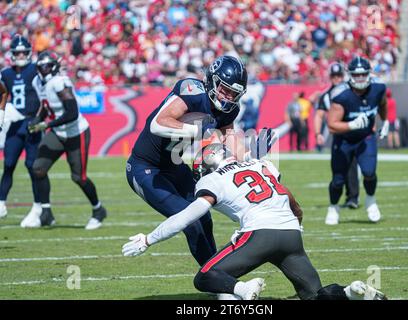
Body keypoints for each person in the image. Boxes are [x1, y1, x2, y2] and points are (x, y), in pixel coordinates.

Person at [122, 143, 387, 301]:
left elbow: (186, 217)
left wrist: (148, 239)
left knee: (204, 277)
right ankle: (351, 292)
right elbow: (291, 199)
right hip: (291, 235)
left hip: (260, 235)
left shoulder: (211, 180)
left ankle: (243, 289)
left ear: (205, 168)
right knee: (313, 295)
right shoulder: (262, 165)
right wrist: (298, 221)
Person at [125, 55, 248, 266]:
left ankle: (217, 275)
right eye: (225, 90)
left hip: (174, 166)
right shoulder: (192, 92)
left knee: (204, 216)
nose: (228, 98)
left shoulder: (229, 110)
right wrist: (200, 129)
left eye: (234, 93)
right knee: (190, 222)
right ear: (212, 80)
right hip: (145, 167)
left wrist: (250, 163)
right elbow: (157, 124)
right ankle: (215, 278)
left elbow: (231, 142)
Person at [25, 51, 107, 229]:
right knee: (38, 169)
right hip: (57, 132)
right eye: (40, 67)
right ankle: (46, 213)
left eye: (46, 67)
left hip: (76, 133)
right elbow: (44, 106)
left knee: (79, 177)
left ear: (53, 67)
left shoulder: (61, 82)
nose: (42, 71)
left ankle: (98, 209)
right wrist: (37, 121)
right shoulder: (37, 82)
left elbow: (72, 113)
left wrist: (46, 125)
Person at [325, 56, 388, 225]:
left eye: (363, 74)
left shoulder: (378, 87)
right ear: (350, 75)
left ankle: (371, 200)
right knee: (338, 179)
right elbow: (331, 125)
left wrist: (386, 120)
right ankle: (333, 207)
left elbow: (382, 103)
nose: (360, 78)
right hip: (343, 140)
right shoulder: (341, 94)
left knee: (369, 172)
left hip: (365, 137)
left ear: (369, 74)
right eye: (356, 75)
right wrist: (351, 125)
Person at [0, 35, 42, 221]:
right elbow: (2, 93)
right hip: (15, 123)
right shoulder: (6, 73)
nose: (21, 54)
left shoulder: (35, 70)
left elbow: (44, 96)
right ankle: (1, 202)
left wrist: (40, 118)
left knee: (32, 166)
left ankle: (38, 207)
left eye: (24, 51)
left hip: (32, 122)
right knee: (8, 164)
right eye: (17, 52)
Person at [315, 62, 360, 209]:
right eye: (334, 76)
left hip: (352, 133)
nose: (337, 78)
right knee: (338, 168)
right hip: (338, 135)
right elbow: (319, 115)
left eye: (339, 75)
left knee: (352, 165)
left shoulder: (352, 90)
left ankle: (353, 197)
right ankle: (339, 198)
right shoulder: (326, 96)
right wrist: (318, 133)